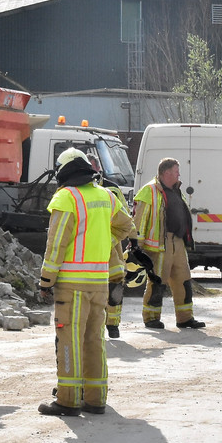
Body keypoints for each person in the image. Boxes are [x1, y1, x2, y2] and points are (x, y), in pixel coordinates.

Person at [36, 148, 132, 416]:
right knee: (94, 340)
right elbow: (127, 227)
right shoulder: (106, 196)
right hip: (99, 282)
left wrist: (45, 280)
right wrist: (104, 243)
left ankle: (67, 400)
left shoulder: (66, 198)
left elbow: (55, 245)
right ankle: (96, 398)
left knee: (69, 341)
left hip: (71, 284)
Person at [131, 158, 206, 329]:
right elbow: (139, 220)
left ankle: (185, 318)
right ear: (166, 173)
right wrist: (138, 246)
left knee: (183, 280)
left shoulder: (176, 190)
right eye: (176, 171)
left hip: (177, 242)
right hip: (159, 244)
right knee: (158, 282)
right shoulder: (148, 191)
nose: (179, 174)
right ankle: (151, 317)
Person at [89, 153, 132, 339]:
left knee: (116, 285)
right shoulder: (74, 190)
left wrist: (133, 240)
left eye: (92, 169)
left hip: (111, 247)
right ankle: (94, 324)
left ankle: (113, 325)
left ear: (98, 169)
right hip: (88, 248)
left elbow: (125, 216)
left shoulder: (112, 190)